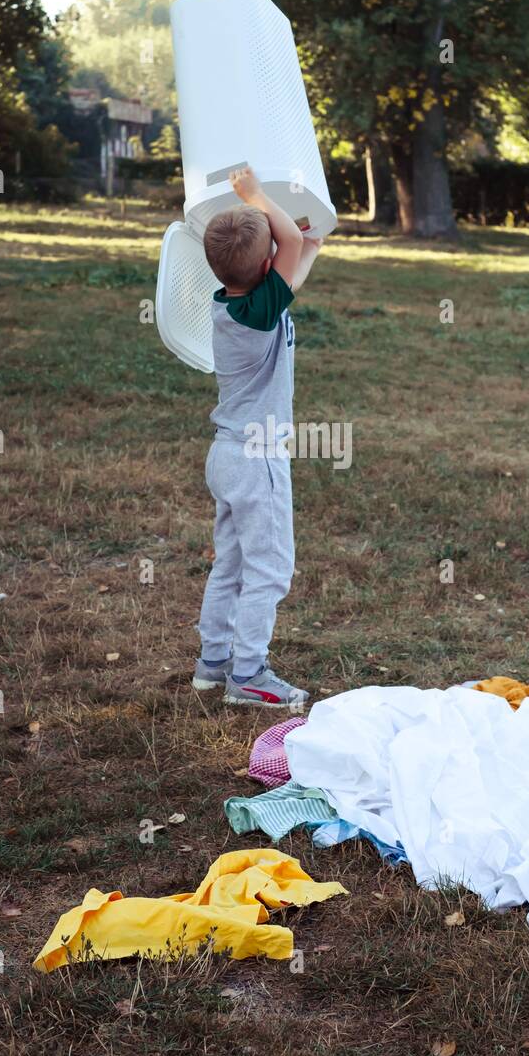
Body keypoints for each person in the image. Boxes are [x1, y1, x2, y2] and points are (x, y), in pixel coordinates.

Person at [192, 165, 321, 707]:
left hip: (227, 454)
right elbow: (287, 250)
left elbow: (292, 256)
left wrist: (306, 243)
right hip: (257, 458)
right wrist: (254, 195)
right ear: (268, 261)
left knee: (233, 564)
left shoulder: (236, 303)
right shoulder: (257, 312)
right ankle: (248, 675)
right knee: (270, 570)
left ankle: (213, 662)